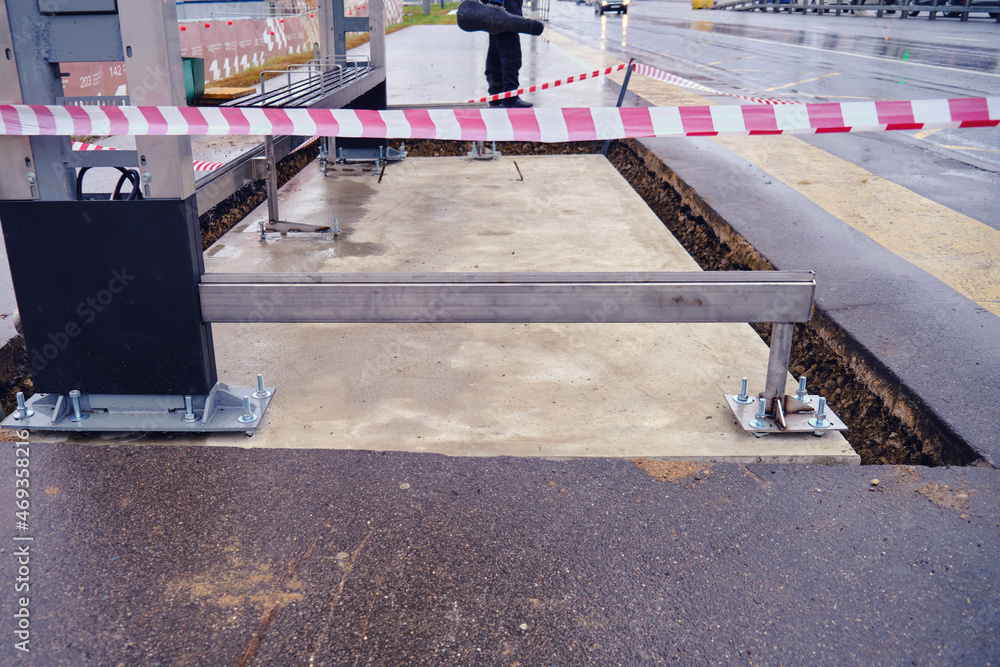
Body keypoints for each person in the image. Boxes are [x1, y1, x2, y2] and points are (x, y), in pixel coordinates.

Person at [484, 0, 533, 108]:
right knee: (511, 56)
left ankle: (496, 95)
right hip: (507, 9)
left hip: (495, 8)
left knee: (495, 53)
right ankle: (510, 97)